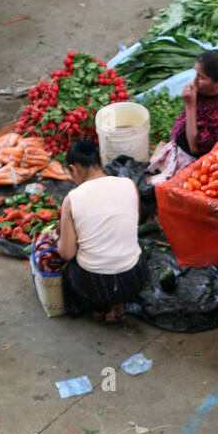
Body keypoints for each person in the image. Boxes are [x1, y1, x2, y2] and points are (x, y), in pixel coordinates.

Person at [56, 138, 147, 324]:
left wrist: (57, 239)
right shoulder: (129, 184)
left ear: (75, 169)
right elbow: (132, 225)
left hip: (96, 285)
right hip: (134, 278)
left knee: (69, 260)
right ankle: (119, 307)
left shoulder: (73, 198)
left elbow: (66, 253)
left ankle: (98, 308)